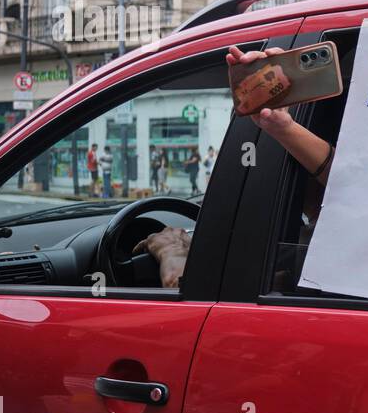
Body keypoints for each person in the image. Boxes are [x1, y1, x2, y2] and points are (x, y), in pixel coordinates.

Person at [138, 46, 334, 288]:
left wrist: (174, 253)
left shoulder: (317, 246)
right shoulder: (306, 238)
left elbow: (203, 292)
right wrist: (283, 129)